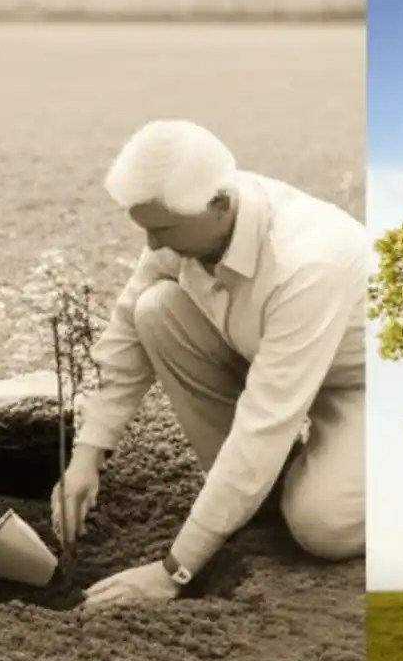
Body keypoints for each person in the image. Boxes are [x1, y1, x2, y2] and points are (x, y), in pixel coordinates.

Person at [51, 120, 366, 610]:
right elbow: (125, 336)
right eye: (146, 230)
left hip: (361, 383)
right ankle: (257, 495)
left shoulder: (307, 263)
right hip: (273, 359)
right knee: (154, 310)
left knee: (322, 525)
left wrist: (174, 570)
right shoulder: (189, 223)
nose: (153, 245)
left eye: (163, 230)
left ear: (219, 204)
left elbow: (265, 423)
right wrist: (87, 456)